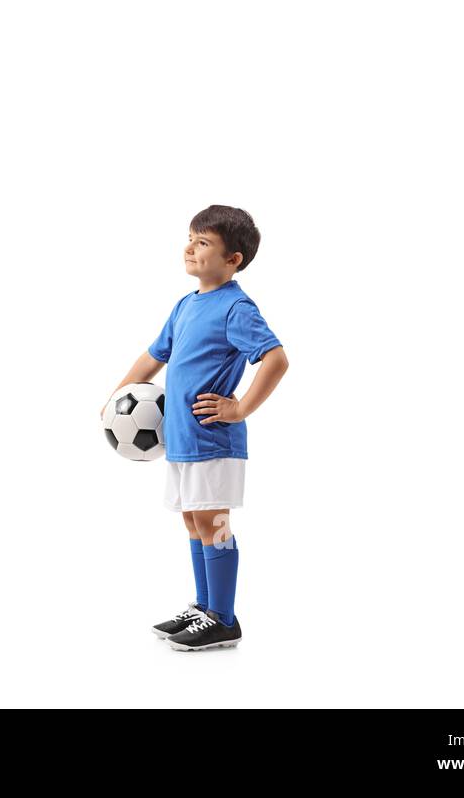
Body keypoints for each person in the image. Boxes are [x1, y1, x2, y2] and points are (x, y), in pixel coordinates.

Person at [103, 205, 288, 651]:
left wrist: (240, 408)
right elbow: (154, 357)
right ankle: (205, 607)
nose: (190, 247)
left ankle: (224, 618)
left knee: (214, 520)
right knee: (192, 518)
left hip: (213, 438)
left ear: (233, 259)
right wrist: (116, 396)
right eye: (190, 237)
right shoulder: (186, 304)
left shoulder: (236, 307)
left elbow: (276, 359)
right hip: (183, 440)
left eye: (203, 242)